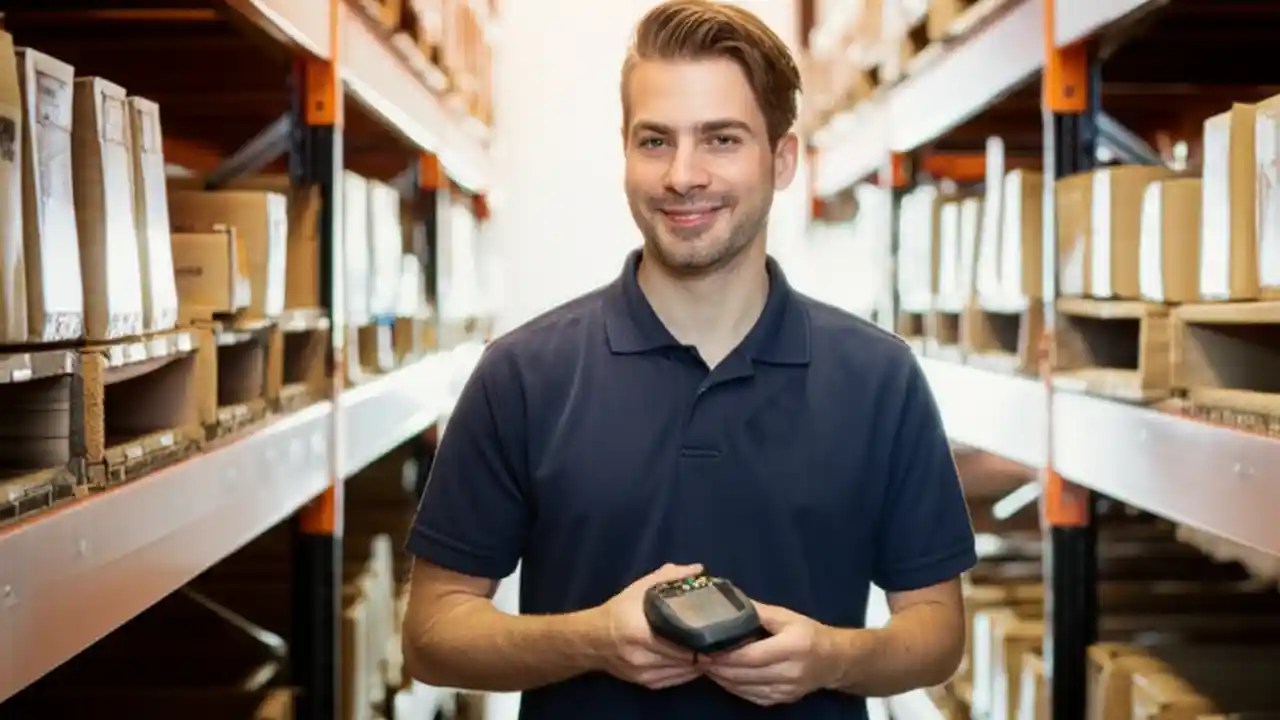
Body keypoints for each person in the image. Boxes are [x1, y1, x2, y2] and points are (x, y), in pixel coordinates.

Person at [401, 1, 977, 717]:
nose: (683, 175)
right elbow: (431, 632)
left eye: (721, 140)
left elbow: (937, 631)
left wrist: (833, 657)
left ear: (784, 158)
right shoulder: (522, 375)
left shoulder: (879, 379)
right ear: (625, 152)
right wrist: (593, 640)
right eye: (654, 141)